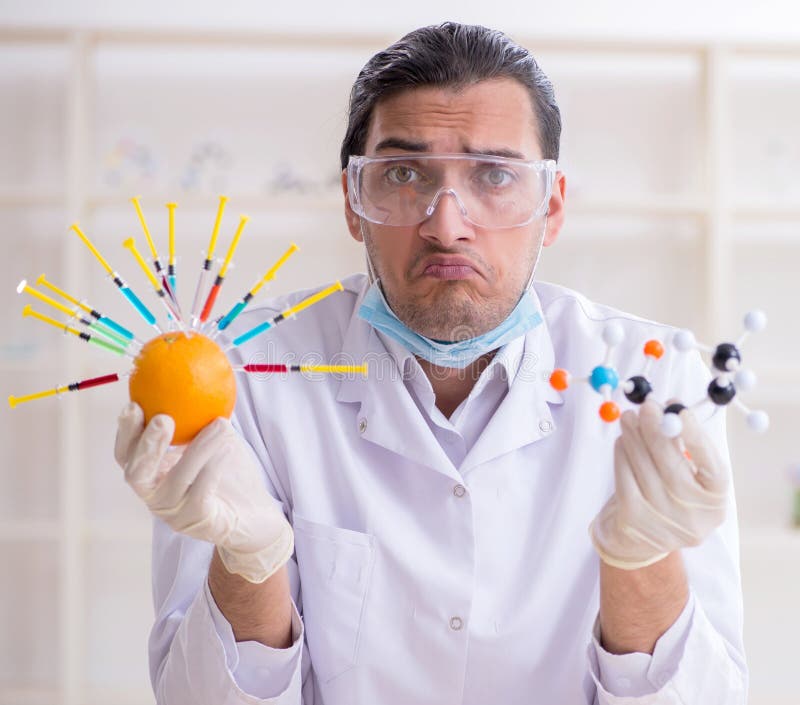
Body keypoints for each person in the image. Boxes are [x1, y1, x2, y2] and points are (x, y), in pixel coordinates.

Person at [114, 22, 746, 705]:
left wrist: (641, 565)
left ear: (551, 206)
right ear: (354, 202)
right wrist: (251, 562)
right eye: (405, 173)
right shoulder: (247, 380)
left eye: (496, 175)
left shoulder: (655, 387)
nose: (447, 223)